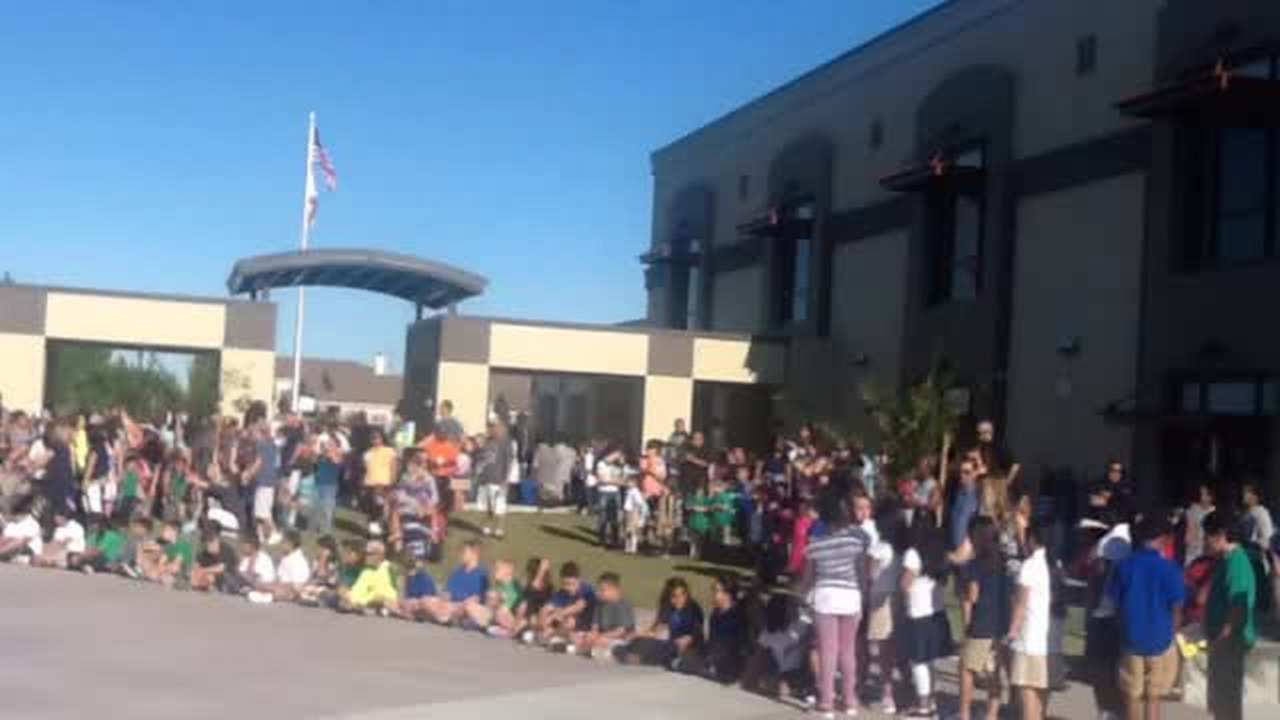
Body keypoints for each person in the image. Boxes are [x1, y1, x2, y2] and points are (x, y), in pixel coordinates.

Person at [1108, 514, 1185, 720]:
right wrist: (1174, 633)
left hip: (1131, 638)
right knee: (1154, 696)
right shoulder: (1171, 569)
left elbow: (1116, 603)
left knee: (1133, 695)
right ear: (1163, 538)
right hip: (1161, 638)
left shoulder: (1124, 566)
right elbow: (1177, 607)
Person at [802, 490, 870, 718]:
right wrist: (863, 595)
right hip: (850, 596)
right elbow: (862, 574)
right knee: (847, 651)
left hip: (825, 596)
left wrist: (802, 596)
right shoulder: (855, 542)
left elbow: (808, 578)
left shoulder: (815, 544)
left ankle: (826, 702)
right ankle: (850, 700)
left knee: (827, 652)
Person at [1203, 509, 1257, 720]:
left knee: (1227, 701)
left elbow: (1238, 609)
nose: (1205, 540)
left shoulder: (1237, 562)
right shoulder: (1225, 560)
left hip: (1230, 641)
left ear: (1221, 534)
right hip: (1222, 639)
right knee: (1218, 700)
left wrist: (1220, 639)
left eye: (1207, 535)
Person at [958, 516, 1010, 720]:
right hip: (999, 623)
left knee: (967, 669)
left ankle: (964, 714)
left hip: (981, 623)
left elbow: (972, 596)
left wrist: (967, 623)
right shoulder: (1003, 561)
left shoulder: (976, 564)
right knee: (992, 672)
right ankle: (992, 714)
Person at [900, 519, 952, 718]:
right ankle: (931, 701)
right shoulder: (939, 552)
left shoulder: (913, 553)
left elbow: (906, 583)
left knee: (918, 660)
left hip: (918, 612)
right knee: (930, 660)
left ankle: (922, 705)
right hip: (936, 612)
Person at [1008, 521, 1053, 720]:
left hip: (1028, 637)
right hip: (1041, 636)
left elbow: (1021, 602)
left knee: (1026, 689)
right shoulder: (1047, 563)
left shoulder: (1029, 565)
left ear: (1032, 539)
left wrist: (1013, 629)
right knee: (1037, 689)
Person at [623, 576, 704, 668]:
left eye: (682, 594)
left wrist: (686, 640)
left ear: (687, 594)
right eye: (674, 596)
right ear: (668, 596)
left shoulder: (694, 609)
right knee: (638, 642)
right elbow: (655, 632)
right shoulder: (668, 609)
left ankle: (644, 659)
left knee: (670, 648)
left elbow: (695, 634)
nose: (679, 599)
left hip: (687, 647)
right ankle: (637, 654)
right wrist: (638, 635)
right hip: (667, 644)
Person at [428, 539, 489, 625]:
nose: (462, 555)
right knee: (429, 600)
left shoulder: (482, 574)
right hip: (451, 606)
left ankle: (448, 618)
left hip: (465, 607)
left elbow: (477, 599)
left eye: (465, 552)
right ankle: (446, 617)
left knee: (469, 608)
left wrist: (457, 605)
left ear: (474, 553)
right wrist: (443, 600)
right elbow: (448, 591)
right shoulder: (458, 571)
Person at [576, 572, 636, 659]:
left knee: (602, 642)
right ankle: (592, 650)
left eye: (602, 590)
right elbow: (595, 626)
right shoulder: (600, 604)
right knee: (580, 637)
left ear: (614, 590)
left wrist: (601, 636)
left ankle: (608, 653)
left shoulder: (623, 605)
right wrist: (592, 634)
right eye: (598, 589)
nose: (598, 592)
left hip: (620, 640)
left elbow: (621, 631)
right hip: (603, 636)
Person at [540, 561, 596, 647]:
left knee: (569, 620)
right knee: (552, 616)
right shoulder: (562, 592)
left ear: (579, 580)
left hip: (585, 626)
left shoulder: (587, 591)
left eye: (572, 584)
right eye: (565, 584)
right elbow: (545, 609)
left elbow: (577, 607)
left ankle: (555, 636)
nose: (569, 588)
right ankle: (551, 636)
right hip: (566, 625)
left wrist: (553, 618)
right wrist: (544, 623)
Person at [474, 423, 513, 538]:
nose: (495, 431)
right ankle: (486, 528)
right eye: (494, 429)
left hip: (498, 480)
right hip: (485, 480)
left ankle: (499, 530)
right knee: (487, 506)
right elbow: (481, 460)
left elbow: (508, 463)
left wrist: (505, 480)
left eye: (499, 430)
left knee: (499, 507)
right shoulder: (488, 443)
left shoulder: (506, 444)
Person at [341, 540, 399, 614]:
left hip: (387, 602)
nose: (366, 557)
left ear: (380, 555)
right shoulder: (366, 571)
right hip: (370, 603)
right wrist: (348, 598)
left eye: (370, 554)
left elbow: (394, 594)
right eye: (365, 554)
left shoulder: (389, 568)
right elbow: (358, 589)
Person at [362, 430, 399, 536]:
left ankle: (385, 531)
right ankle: (374, 533)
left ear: (382, 438)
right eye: (373, 438)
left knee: (384, 510)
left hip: (385, 484)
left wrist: (392, 482)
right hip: (370, 484)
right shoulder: (367, 453)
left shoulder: (390, 451)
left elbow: (394, 468)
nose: (375, 440)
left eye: (377, 437)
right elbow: (366, 469)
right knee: (372, 510)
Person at [270, 530, 312, 602]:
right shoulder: (285, 558)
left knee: (273, 591)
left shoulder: (299, 560)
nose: (281, 545)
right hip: (282, 587)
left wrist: (280, 586)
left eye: (283, 542)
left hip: (292, 589)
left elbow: (298, 585)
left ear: (290, 544)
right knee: (262, 586)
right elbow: (279, 577)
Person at [1185, 485, 1215, 566]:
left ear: (1211, 497)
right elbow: (1189, 531)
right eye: (1201, 494)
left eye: (1204, 494)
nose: (1201, 497)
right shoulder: (1192, 510)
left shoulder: (1215, 512)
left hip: (1208, 553)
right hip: (1193, 552)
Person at [1241, 483, 1274, 551]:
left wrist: (1255, 543)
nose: (1243, 496)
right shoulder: (1245, 513)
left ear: (1254, 496)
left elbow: (1267, 537)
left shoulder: (1261, 512)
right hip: (1246, 551)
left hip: (1256, 554)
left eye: (1246, 493)